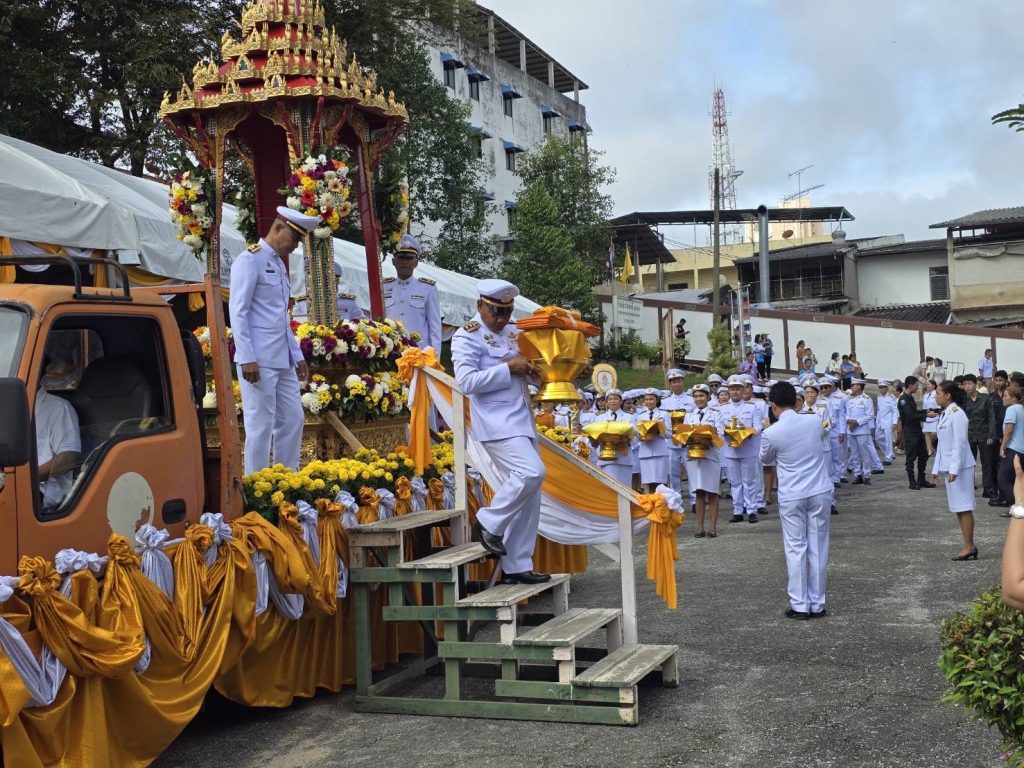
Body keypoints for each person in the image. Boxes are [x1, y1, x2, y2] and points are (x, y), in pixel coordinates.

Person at [451, 278, 548, 585]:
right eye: (496, 312)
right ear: (480, 306)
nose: (502, 319)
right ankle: (488, 522)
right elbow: (466, 383)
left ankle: (517, 563)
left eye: (507, 312)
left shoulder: (512, 333)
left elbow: (525, 373)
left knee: (531, 493)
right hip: (496, 423)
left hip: (522, 421)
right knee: (532, 473)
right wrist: (507, 369)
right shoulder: (466, 337)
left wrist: (542, 374)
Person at [230, 206, 316, 475]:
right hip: (258, 359)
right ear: (278, 229)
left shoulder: (279, 264)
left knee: (293, 418)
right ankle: (256, 484)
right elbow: (238, 311)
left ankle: (284, 479)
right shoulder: (249, 260)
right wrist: (246, 357)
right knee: (260, 424)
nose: (295, 246)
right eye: (294, 239)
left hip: (282, 358)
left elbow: (281, 318)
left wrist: (298, 357)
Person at [760, 381, 834, 620]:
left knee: (795, 548)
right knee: (818, 546)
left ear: (773, 406)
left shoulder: (771, 432)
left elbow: (765, 460)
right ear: (796, 401)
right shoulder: (813, 420)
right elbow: (822, 433)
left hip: (792, 493)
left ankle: (800, 604)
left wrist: (769, 428)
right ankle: (817, 603)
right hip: (818, 489)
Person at [932, 380, 977, 561]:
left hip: (961, 467)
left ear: (948, 395)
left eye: (938, 392)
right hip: (951, 467)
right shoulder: (945, 414)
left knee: (964, 506)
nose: (936, 395)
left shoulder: (958, 414)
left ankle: (969, 545)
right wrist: (936, 469)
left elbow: (959, 444)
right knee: (958, 507)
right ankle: (968, 544)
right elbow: (942, 446)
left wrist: (954, 469)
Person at [383, 234, 442, 352]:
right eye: (401, 258)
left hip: (419, 352)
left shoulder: (427, 288)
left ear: (416, 263)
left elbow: (435, 327)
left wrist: (435, 358)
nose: (404, 262)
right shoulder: (383, 287)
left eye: (409, 258)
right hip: (390, 351)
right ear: (394, 261)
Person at [720, 375, 763, 523]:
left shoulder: (752, 407)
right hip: (731, 450)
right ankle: (737, 510)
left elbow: (758, 426)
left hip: (748, 448)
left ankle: (751, 510)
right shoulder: (722, 409)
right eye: (732, 389)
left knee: (749, 481)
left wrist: (747, 433)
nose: (735, 392)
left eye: (738, 389)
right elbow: (718, 428)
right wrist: (726, 432)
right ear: (729, 391)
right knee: (735, 482)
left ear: (743, 390)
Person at [35, 383, 81, 511]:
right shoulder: (7, 409)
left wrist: (24, 478)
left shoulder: (59, 407)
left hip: (42, 489)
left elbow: (68, 459)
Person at [684, 384, 723, 538]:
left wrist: (707, 437)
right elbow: (684, 434)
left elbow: (719, 434)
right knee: (699, 492)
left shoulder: (716, 413)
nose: (699, 399)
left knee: (713, 492)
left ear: (707, 397)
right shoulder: (689, 415)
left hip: (710, 456)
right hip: (694, 457)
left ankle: (713, 527)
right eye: (696, 396)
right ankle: (699, 527)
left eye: (701, 396)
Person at [961, 374, 997, 499]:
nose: (967, 386)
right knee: (969, 463)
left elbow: (991, 417)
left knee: (986, 462)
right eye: (965, 384)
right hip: (969, 435)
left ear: (975, 384)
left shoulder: (985, 398)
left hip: (984, 434)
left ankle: (987, 487)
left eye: (970, 384)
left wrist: (991, 434)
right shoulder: (964, 399)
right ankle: (969, 486)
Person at [898, 376, 937, 491]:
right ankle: (912, 481)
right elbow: (910, 416)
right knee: (911, 457)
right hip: (910, 432)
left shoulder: (910, 398)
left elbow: (914, 412)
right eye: (916, 385)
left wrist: (925, 411)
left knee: (923, 455)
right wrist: (926, 415)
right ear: (910, 385)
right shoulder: (903, 400)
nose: (917, 387)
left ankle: (921, 479)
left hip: (917, 431)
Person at [593, 389, 637, 487]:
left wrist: (624, 439)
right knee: (608, 488)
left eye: (616, 399)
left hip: (623, 458)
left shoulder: (629, 417)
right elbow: (595, 435)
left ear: (621, 401)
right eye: (610, 399)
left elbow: (635, 437)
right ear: (606, 402)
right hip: (605, 458)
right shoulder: (600, 418)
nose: (613, 401)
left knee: (624, 487)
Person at [662, 369, 696, 493]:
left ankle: (694, 500)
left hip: (687, 442)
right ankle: (676, 497)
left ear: (683, 382)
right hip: (671, 442)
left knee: (691, 472)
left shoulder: (692, 400)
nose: (676, 384)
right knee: (673, 473)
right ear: (670, 384)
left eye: (678, 381)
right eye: (673, 382)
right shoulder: (664, 402)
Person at [636, 388, 672, 493]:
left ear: (657, 400)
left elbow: (669, 434)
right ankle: (649, 506)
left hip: (660, 452)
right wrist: (642, 435)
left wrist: (658, 431)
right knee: (647, 483)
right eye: (646, 399)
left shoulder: (664, 414)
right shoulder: (640, 416)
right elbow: (637, 435)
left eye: (651, 399)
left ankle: (662, 506)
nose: (648, 402)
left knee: (661, 483)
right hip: (645, 452)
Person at [998, 385, 1024, 515]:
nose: (1003, 398)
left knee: (1003, 478)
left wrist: (1002, 447)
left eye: (1006, 395)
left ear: (1013, 398)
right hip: (1021, 449)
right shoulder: (1021, 409)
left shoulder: (1012, 409)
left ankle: (1017, 507)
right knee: (1017, 479)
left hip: (1014, 449)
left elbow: (1009, 430)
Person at [845, 378, 875, 485]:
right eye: (852, 385)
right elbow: (846, 412)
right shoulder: (849, 398)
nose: (852, 387)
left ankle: (867, 475)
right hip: (851, 430)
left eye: (854, 385)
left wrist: (857, 422)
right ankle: (857, 475)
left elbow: (870, 415)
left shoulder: (867, 399)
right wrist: (849, 420)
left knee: (864, 454)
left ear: (859, 386)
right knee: (854, 454)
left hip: (862, 430)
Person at [819, 377, 848, 486]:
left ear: (831, 387)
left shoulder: (837, 399)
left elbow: (839, 417)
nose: (824, 389)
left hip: (834, 431)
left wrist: (842, 432)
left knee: (837, 456)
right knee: (825, 456)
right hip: (822, 433)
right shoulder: (818, 401)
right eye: (822, 387)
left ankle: (836, 478)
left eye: (826, 387)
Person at [989, 371, 1011, 507]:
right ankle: (996, 492)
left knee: (1004, 468)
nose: (998, 383)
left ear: (1006, 381)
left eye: (1001, 380)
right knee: (992, 465)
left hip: (1006, 436)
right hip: (994, 436)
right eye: (996, 380)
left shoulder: (1010, 396)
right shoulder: (990, 397)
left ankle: (1005, 495)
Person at [874, 380, 898, 465]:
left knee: (888, 440)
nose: (881, 389)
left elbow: (895, 410)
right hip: (880, 421)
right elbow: (879, 411)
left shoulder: (891, 397)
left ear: (886, 388)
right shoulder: (879, 397)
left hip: (889, 420)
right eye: (879, 387)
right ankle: (890, 453)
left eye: (882, 387)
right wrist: (877, 422)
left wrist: (895, 422)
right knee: (878, 438)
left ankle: (888, 458)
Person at [922, 379, 939, 456]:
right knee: (927, 433)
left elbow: (939, 405)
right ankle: (929, 450)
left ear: (933, 385)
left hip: (935, 414)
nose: (927, 386)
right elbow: (924, 407)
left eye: (928, 384)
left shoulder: (937, 394)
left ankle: (932, 448)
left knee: (934, 434)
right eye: (926, 384)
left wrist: (937, 413)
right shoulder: (925, 395)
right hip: (927, 416)